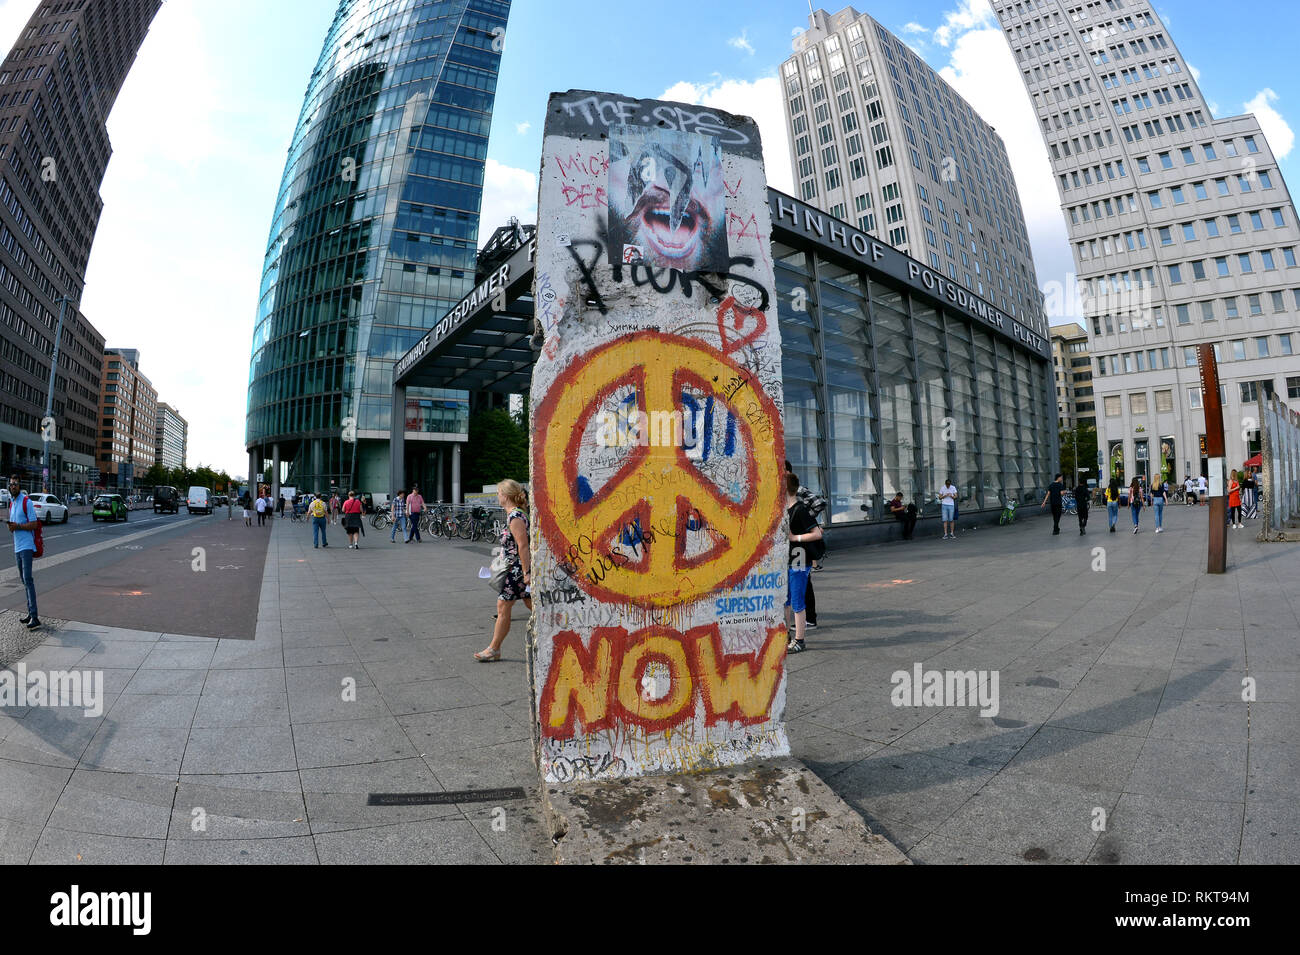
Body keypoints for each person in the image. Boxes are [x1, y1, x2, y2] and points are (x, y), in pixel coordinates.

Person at [475, 479, 533, 661]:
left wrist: (526, 573)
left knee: (503, 606)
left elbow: (523, 546)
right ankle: (562, 628)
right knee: (532, 604)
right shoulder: (515, 514)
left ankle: (494, 649)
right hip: (514, 568)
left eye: (499, 493)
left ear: (506, 496)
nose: (497, 496)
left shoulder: (515, 516)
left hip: (516, 571)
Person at [784, 472, 822, 654]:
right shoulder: (787, 510)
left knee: (798, 601)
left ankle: (800, 640)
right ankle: (786, 636)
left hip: (799, 561)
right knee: (786, 600)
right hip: (788, 561)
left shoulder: (800, 510)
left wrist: (795, 537)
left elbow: (817, 533)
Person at [6, 476, 41, 630]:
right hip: (17, 547)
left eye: (15, 484)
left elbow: (34, 524)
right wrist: (11, 527)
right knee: (24, 581)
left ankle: (34, 616)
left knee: (28, 579)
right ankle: (29, 612)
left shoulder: (26, 501)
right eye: (11, 484)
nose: (13, 486)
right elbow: (15, 525)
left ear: (20, 486)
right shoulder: (12, 503)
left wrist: (17, 526)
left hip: (27, 546)